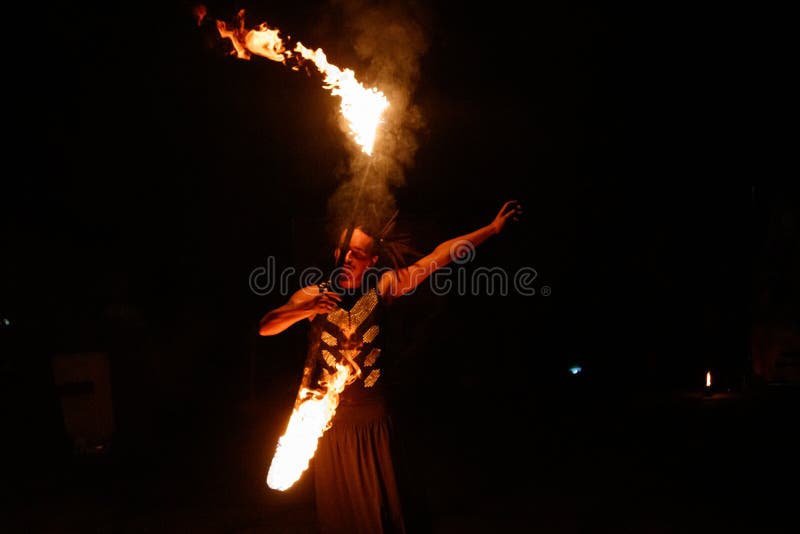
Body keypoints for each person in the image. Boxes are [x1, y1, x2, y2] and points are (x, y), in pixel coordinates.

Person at [258, 200, 522, 534]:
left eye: (356, 252)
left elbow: (440, 256)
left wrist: (492, 229)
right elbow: (266, 326)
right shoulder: (313, 294)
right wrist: (307, 307)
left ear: (372, 261)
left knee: (384, 513)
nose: (347, 256)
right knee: (343, 516)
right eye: (343, 250)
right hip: (328, 426)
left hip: (374, 421)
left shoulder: (383, 287)